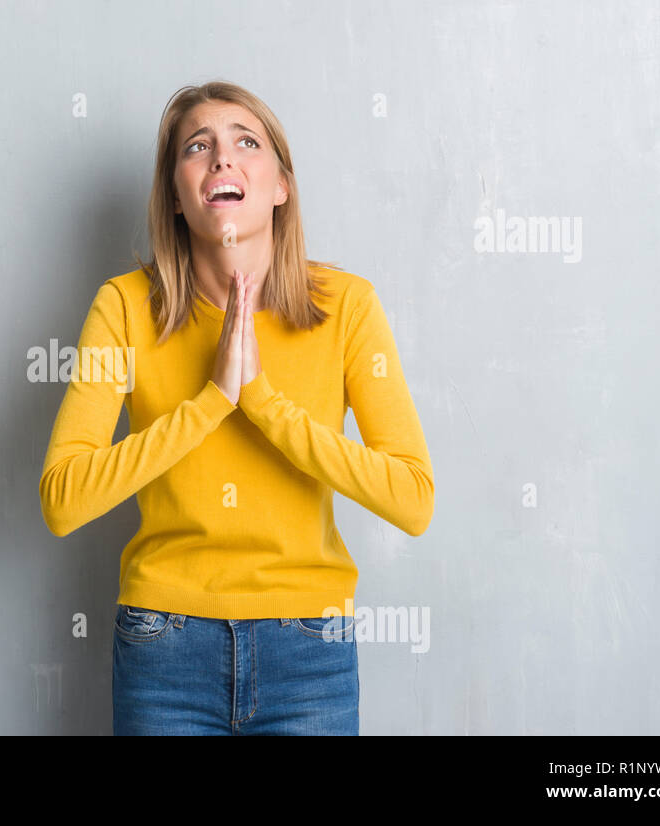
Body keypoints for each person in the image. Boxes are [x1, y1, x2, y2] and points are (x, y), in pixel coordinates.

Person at [38, 81, 434, 735]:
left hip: (311, 650)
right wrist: (210, 402)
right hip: (162, 650)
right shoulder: (125, 307)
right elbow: (62, 500)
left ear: (281, 184)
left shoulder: (347, 307)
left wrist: (263, 403)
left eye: (245, 142)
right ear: (174, 194)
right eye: (198, 147)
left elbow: (413, 499)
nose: (223, 157)